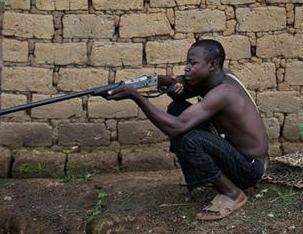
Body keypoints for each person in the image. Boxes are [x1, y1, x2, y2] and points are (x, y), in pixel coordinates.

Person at [103, 39, 269, 221]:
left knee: (191, 139)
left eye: (193, 63)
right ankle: (204, 176)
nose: (186, 68)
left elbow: (175, 127)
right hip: (237, 156)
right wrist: (168, 84)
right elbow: (184, 89)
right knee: (176, 108)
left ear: (212, 65)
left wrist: (136, 96)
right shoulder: (219, 77)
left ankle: (232, 193)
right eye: (187, 63)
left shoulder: (224, 93)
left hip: (249, 169)